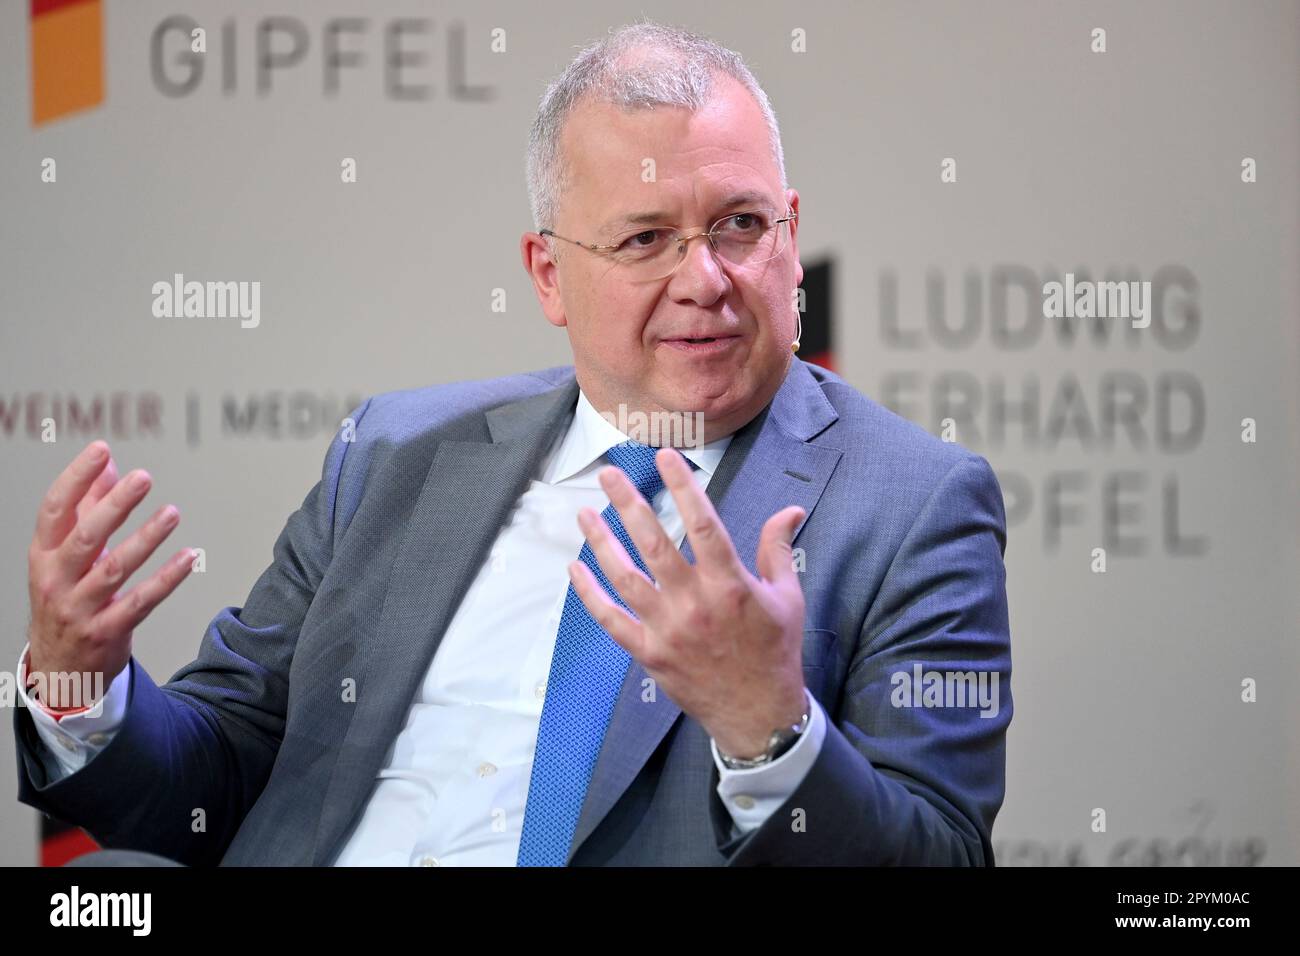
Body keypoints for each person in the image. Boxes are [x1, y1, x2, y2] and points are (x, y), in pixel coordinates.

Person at [14, 20, 1012, 866]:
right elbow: (213, 773)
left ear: (791, 235)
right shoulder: (393, 454)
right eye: (645, 239)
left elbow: (938, 851)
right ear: (545, 273)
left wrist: (770, 731)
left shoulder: (911, 501)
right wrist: (78, 682)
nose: (705, 277)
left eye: (739, 225)